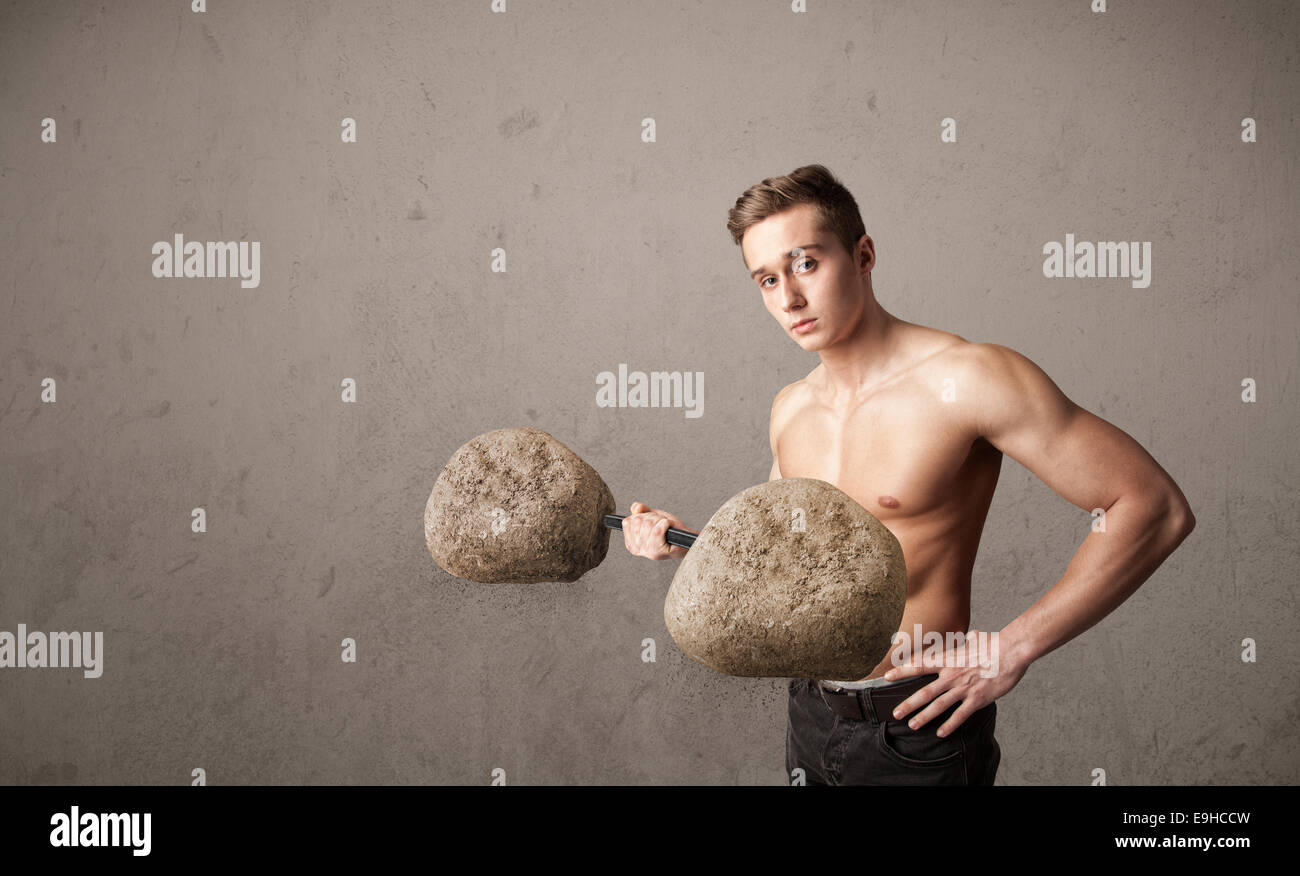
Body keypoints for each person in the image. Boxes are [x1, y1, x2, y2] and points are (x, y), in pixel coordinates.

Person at [620, 164, 1196, 786]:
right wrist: (688, 544)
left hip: (919, 725)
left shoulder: (969, 379)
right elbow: (789, 570)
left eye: (806, 263)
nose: (788, 298)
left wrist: (1012, 648)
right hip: (812, 717)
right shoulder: (791, 409)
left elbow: (1151, 505)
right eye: (766, 279)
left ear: (863, 255)